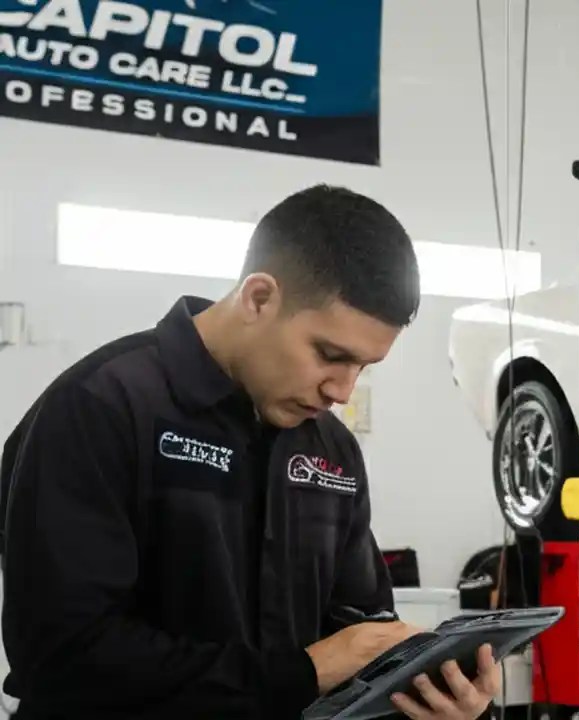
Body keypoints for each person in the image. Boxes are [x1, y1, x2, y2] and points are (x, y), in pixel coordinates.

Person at [0, 185, 500, 719]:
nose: (343, 391)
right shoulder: (101, 408)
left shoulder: (330, 449)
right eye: (330, 355)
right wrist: (303, 672)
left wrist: (425, 697)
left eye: (363, 366)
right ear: (258, 298)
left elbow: (359, 633)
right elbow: (63, 656)